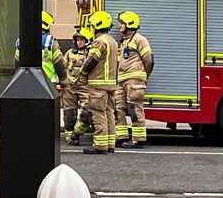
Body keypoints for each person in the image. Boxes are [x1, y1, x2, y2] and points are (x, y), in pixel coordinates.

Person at [78, 11, 118, 155]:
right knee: (109, 113)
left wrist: (82, 73)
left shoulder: (100, 41)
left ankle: (100, 145)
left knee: (98, 114)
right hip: (110, 85)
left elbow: (92, 60)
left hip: (98, 84)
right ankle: (110, 144)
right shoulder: (112, 41)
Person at [114, 11, 155, 148]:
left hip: (134, 81)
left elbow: (149, 60)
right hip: (121, 81)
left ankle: (139, 139)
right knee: (118, 108)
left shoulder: (139, 39)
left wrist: (143, 75)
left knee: (134, 109)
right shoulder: (125, 41)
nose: (119, 26)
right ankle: (121, 136)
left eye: (122, 23)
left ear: (130, 24)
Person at [15, 10, 68, 88]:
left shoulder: (22, 40)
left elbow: (17, 63)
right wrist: (64, 83)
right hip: (48, 85)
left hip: (28, 83)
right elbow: (59, 65)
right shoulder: (50, 42)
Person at [62, 26, 93, 145]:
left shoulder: (91, 53)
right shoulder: (69, 53)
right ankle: (71, 139)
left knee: (88, 112)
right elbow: (63, 67)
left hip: (85, 87)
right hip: (70, 88)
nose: (79, 42)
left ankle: (77, 132)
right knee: (69, 114)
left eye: (82, 40)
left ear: (87, 40)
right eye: (77, 40)